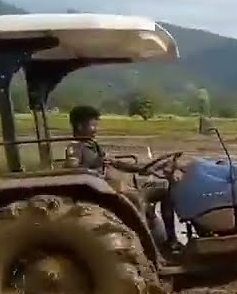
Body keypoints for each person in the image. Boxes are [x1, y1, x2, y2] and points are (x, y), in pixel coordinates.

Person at [66, 105, 181, 253]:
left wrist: (144, 169)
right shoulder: (75, 147)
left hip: (115, 188)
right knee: (138, 200)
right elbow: (71, 169)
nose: (96, 129)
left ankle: (171, 240)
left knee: (165, 191)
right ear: (80, 126)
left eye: (96, 125)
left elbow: (115, 163)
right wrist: (94, 164)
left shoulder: (93, 146)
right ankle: (148, 248)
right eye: (93, 125)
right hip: (103, 193)